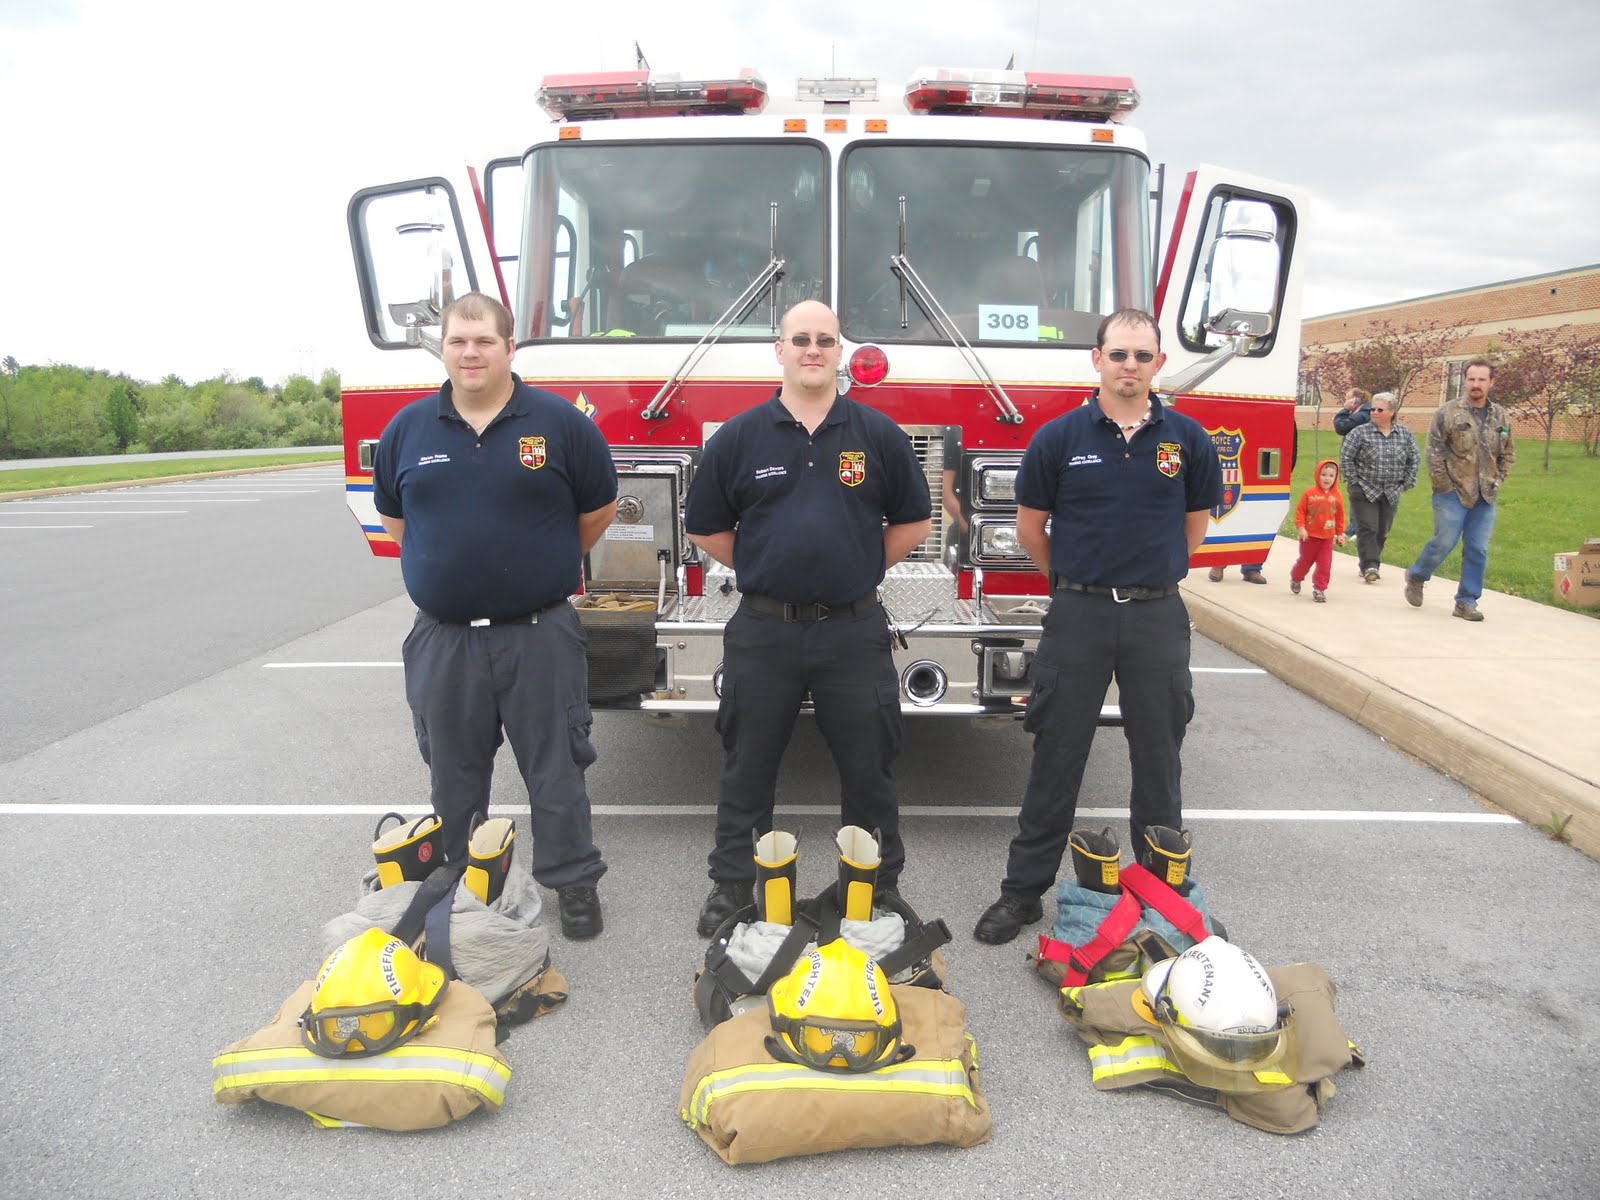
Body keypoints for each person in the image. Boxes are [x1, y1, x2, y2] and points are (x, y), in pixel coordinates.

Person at [371, 292, 619, 940]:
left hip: (539, 634)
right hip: (445, 639)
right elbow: (397, 519)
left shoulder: (561, 424)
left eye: (484, 340)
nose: (471, 352)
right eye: (458, 340)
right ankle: (461, 882)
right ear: (443, 348)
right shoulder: (408, 430)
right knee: (453, 776)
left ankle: (573, 883)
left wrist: (538, 567)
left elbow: (597, 510)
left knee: (556, 769)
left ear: (509, 347)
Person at [973, 309, 1222, 945]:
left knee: (1159, 759)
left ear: (1159, 363)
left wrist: (1149, 574)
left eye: (1142, 355)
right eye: (1119, 354)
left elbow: (1193, 527)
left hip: (1156, 615)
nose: (1129, 366)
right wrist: (1073, 582)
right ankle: (1022, 893)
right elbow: (1031, 529)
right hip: (1078, 614)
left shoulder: (1188, 440)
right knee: (1056, 756)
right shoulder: (1058, 438)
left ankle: (1163, 896)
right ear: (1097, 359)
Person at [684, 300, 933, 936]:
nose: (813, 349)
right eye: (801, 339)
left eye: (825, 339)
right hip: (764, 629)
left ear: (839, 350)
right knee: (747, 763)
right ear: (780, 350)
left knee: (869, 767)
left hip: (853, 629)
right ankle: (732, 885)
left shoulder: (878, 434)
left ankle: (877, 886)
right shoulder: (740, 437)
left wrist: (859, 563)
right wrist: (764, 563)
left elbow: (914, 520)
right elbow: (705, 526)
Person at [1404, 359, 1515, 621]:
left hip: (1485, 495)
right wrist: (1443, 486)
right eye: (1471, 379)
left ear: (1491, 383)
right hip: (1452, 491)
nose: (1476, 384)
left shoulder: (1501, 416)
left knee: (1477, 549)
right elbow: (1434, 452)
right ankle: (1417, 575)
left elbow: (1508, 452)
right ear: (1465, 381)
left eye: (1481, 379)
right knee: (1444, 541)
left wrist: (1497, 480)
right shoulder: (1448, 412)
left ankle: (1466, 602)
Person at [1340, 391, 1419, 582]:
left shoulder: (1404, 434)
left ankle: (1368, 562)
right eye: (1373, 409)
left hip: (1391, 491)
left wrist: (1406, 482)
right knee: (1367, 527)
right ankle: (1370, 565)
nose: (1374, 412)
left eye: (1380, 410)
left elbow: (1414, 459)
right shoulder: (1359, 433)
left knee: (1382, 529)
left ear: (1392, 412)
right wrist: (1354, 482)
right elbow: (1346, 457)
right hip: (1364, 489)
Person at [1287, 459, 1346, 603]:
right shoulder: (1309, 494)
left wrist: (1340, 534)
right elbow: (1300, 511)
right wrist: (1301, 528)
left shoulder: (1337, 496)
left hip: (1327, 538)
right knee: (1304, 563)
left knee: (1325, 565)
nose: (1327, 478)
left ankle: (1319, 589)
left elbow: (1340, 516)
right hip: (1309, 537)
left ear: (1336, 478)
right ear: (1317, 475)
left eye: (1331, 475)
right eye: (1323, 474)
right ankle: (1296, 578)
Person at [1333, 388, 1372, 536]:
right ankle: (1355, 528)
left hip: (1361, 462)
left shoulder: (1362, 415)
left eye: (1347, 398)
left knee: (1358, 494)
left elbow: (1340, 427)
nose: (1345, 401)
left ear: (1355, 400)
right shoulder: (1363, 413)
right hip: (1360, 461)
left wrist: (1344, 410)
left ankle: (1358, 530)